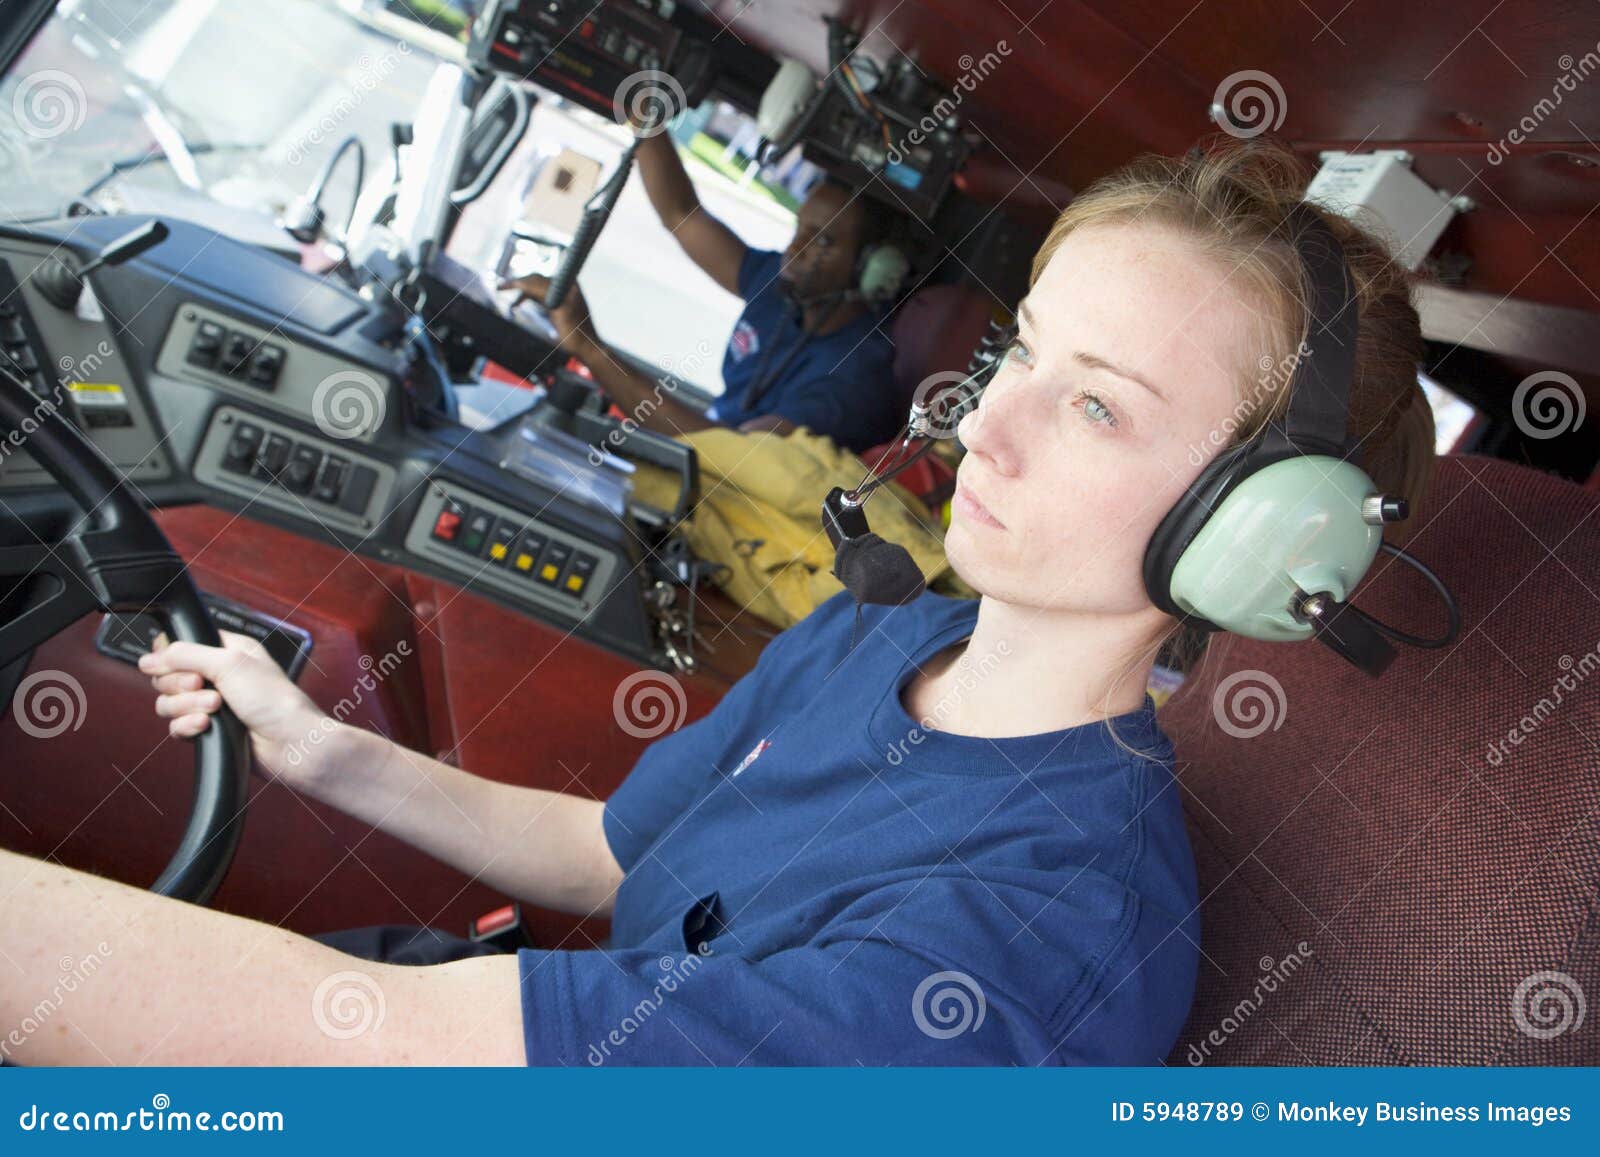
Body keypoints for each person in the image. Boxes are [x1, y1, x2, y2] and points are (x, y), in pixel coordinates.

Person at [0, 139, 1434, 1065]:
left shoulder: (1039, 931)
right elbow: (616, 857)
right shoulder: (889, 625)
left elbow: (389, 1049)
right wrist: (325, 752)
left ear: (1253, 541)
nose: (983, 424)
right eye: (1023, 354)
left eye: (1103, 410)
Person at [500, 127, 906, 454]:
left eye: (823, 242)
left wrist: (591, 348)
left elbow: (734, 458)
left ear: (872, 269)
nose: (795, 248)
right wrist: (647, 120)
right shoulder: (782, 288)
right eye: (799, 229)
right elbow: (682, 215)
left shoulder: (854, 381)